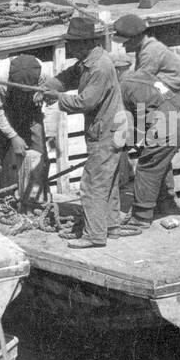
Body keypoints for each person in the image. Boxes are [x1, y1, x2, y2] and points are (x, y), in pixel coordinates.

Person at [109, 14, 180, 228]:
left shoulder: (147, 57)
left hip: (175, 104)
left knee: (150, 160)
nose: (123, 47)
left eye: (124, 41)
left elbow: (138, 103)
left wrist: (133, 138)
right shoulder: (143, 57)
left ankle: (143, 215)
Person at [40, 32, 123, 249]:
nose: (69, 49)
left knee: (92, 183)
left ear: (87, 41)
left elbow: (86, 102)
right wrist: (51, 85)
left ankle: (94, 235)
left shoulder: (99, 68)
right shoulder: (89, 61)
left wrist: (57, 98)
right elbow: (70, 75)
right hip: (110, 129)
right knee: (108, 181)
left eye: (73, 44)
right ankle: (110, 226)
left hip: (106, 132)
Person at [0, 54, 49, 209]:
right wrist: (13, 136)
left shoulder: (43, 72)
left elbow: (52, 98)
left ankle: (37, 200)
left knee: (39, 155)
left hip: (30, 110)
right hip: (2, 108)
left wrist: (43, 94)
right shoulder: (1, 75)